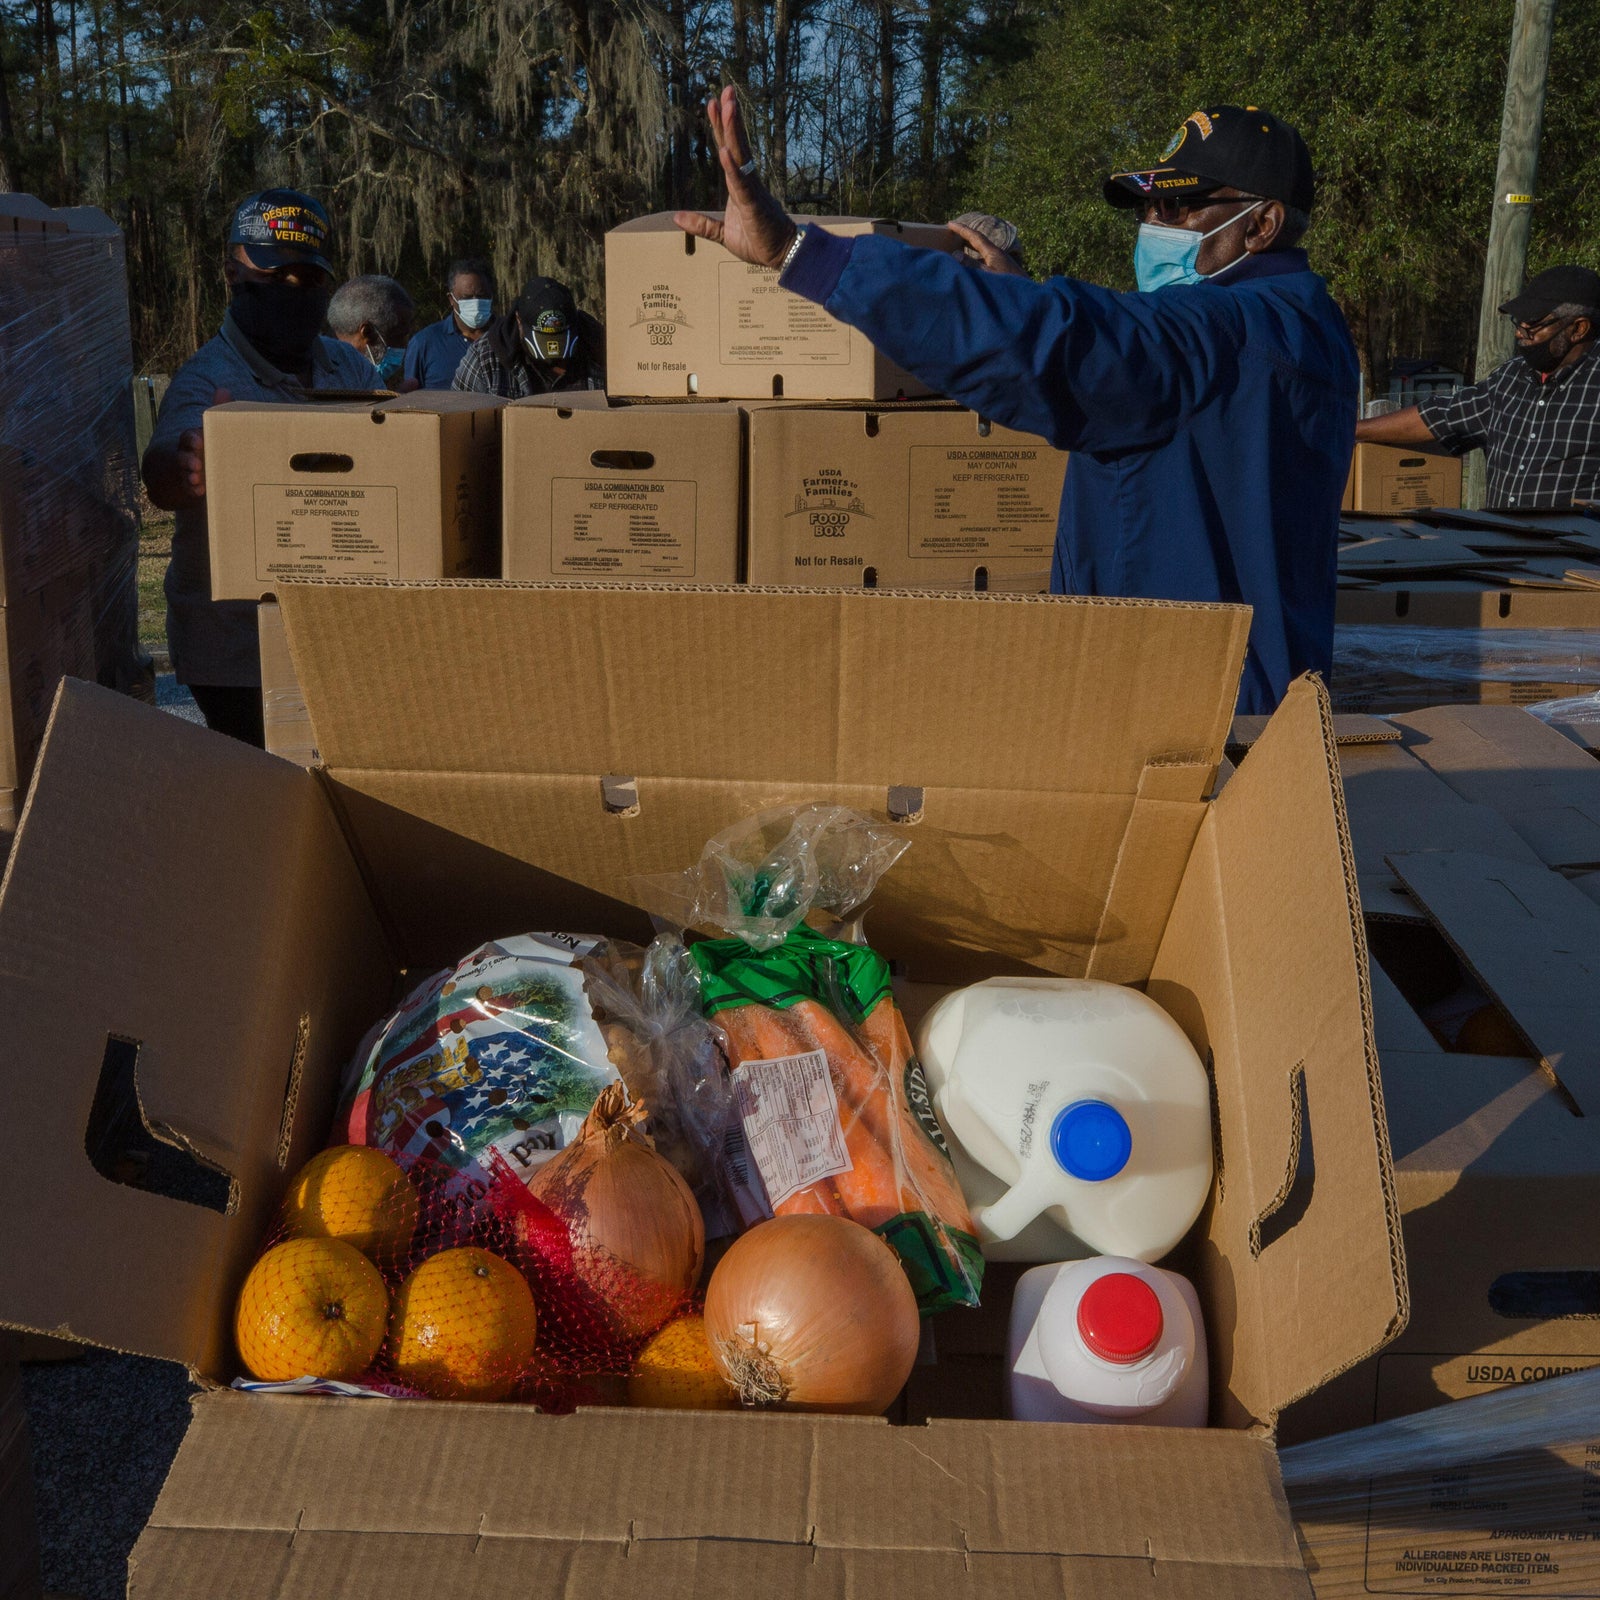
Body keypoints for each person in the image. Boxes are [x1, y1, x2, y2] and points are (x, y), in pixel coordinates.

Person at [677, 94, 1359, 715]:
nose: (1155, 223)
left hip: (1173, 709)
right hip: (1256, 696)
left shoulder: (1217, 336)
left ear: (1262, 224)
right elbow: (1157, 386)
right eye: (1149, 206)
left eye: (1181, 207)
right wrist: (1019, 292)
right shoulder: (1306, 325)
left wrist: (801, 254)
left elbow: (1062, 344)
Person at [141, 189, 378, 747]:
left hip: (331, 636)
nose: (293, 292)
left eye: (308, 279)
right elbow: (161, 470)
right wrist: (186, 465)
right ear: (232, 271)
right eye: (275, 276)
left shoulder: (345, 365)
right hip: (234, 654)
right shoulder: (208, 378)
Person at [1355, 266, 1600, 510]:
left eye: (1532, 324)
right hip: (1500, 544)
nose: (1518, 332)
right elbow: (1441, 415)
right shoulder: (1511, 377)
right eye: (1519, 322)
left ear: (1579, 328)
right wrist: (1349, 430)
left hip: (1570, 548)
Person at [452, 276, 606, 397]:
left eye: (559, 338)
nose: (553, 350)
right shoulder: (485, 359)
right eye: (544, 340)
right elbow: (460, 416)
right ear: (519, 321)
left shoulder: (600, 348)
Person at [403, 258, 496, 390]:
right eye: (467, 298)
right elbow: (409, 400)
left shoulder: (508, 338)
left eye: (482, 296)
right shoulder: (424, 343)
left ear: (492, 295)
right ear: (451, 299)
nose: (475, 303)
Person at [328, 274, 416, 388]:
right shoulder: (321, 382)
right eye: (398, 337)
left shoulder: (365, 381)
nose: (404, 346)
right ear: (367, 332)